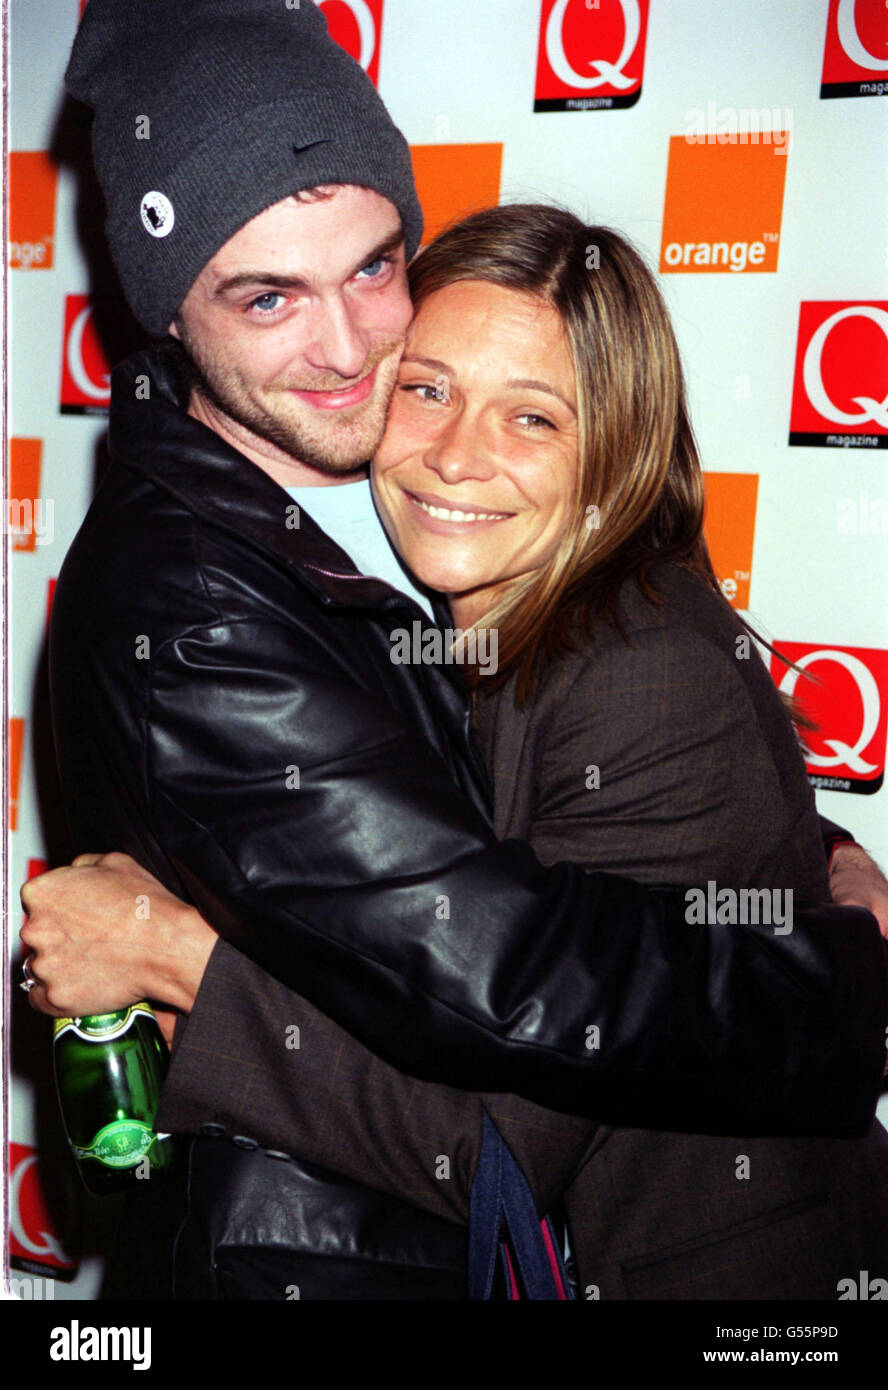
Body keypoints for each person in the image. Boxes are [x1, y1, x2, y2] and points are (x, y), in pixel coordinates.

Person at [22, 0, 888, 1299]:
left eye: (375, 270)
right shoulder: (209, 610)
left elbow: (512, 995)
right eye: (269, 295)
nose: (355, 350)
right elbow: (505, 964)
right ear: (170, 314)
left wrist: (178, 964)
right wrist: (822, 948)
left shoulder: (588, 638)